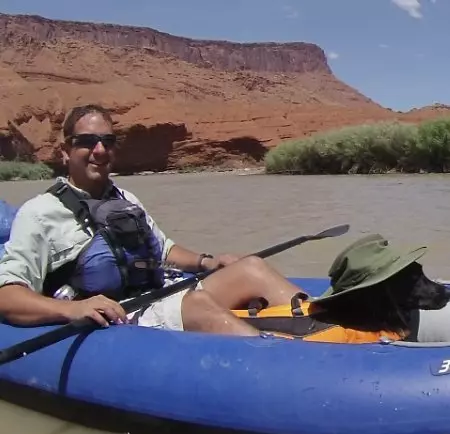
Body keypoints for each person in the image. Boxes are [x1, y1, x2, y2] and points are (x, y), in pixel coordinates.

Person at [0, 104, 306, 337]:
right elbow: (7, 296)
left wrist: (207, 262)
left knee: (250, 267)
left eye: (108, 141)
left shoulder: (126, 199)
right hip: (119, 315)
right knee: (196, 305)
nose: (100, 150)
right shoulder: (39, 213)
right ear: (65, 151)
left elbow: (163, 251)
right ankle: (284, 359)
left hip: (158, 293)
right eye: (87, 141)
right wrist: (73, 308)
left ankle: (333, 325)